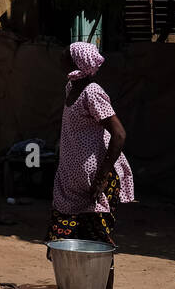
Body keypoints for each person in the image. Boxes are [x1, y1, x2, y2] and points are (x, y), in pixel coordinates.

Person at [49, 41, 134, 245]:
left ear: (76, 62)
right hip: (70, 181)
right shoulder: (70, 87)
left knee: (95, 244)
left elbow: (119, 134)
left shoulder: (92, 92)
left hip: (95, 181)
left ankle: (99, 269)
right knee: (63, 243)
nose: (61, 57)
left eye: (66, 54)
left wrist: (101, 178)